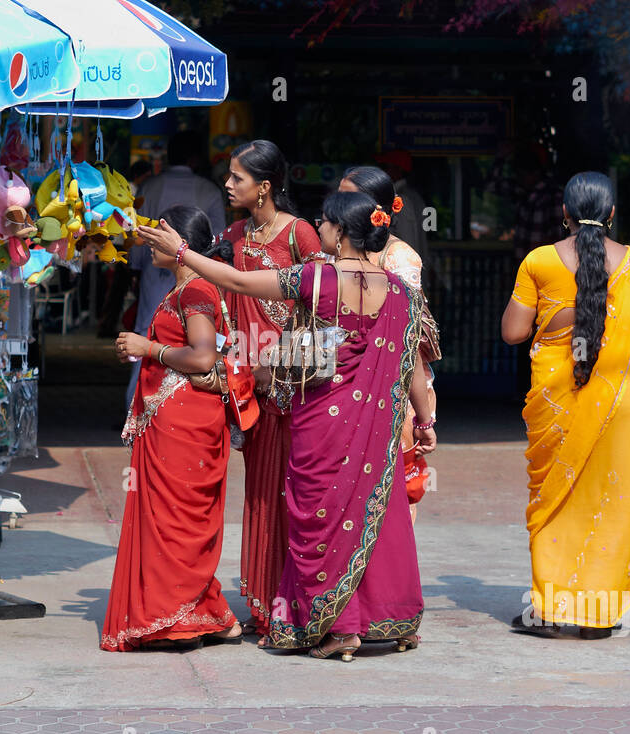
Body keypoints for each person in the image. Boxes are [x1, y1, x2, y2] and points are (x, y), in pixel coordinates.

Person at [138, 191, 436, 662]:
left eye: (324, 223)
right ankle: (383, 619)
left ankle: (338, 629)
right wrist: (424, 419)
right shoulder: (400, 293)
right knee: (372, 511)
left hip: (322, 420)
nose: (319, 230)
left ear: (339, 231)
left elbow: (235, 279)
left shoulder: (318, 278)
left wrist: (183, 254)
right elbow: (413, 366)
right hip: (376, 423)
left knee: (322, 515)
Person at [500, 172, 630, 639]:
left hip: (556, 400)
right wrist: (622, 377)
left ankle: (553, 609)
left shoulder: (539, 261)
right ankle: (599, 616)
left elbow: (513, 333)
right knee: (613, 500)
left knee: (554, 501)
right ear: (614, 215)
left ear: (564, 214)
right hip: (622, 403)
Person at [102, 206, 242, 652]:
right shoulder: (182, 290)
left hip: (185, 424)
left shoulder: (195, 290)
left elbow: (202, 358)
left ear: (177, 241)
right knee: (170, 521)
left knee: (175, 521)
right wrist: (144, 351)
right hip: (175, 420)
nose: (147, 242)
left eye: (156, 233)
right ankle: (203, 615)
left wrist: (150, 348)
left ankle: (177, 619)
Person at [218, 140, 324, 645]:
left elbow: (325, 303)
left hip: (293, 386)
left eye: (237, 178)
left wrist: (279, 360)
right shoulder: (235, 235)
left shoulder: (300, 233)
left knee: (292, 496)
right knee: (260, 493)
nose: (228, 184)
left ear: (264, 187)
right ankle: (264, 606)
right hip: (250, 388)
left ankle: (295, 607)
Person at [340, 165, 441, 524]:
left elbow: (408, 337)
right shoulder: (334, 255)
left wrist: (423, 416)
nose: (338, 204)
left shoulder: (399, 257)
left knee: (391, 492)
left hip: (391, 388)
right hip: (346, 388)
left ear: (378, 210)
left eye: (348, 197)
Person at [124, 131, 227, 410]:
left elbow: (137, 233)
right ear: (195, 157)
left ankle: (138, 405)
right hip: (195, 269)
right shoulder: (209, 189)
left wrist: (134, 268)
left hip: (154, 271)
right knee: (177, 333)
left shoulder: (151, 186)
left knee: (148, 330)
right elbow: (217, 237)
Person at [374, 150, 430, 272]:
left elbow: (408, 242)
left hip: (403, 273)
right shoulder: (413, 196)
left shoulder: (401, 200)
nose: (381, 172)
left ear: (397, 170)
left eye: (384, 167)